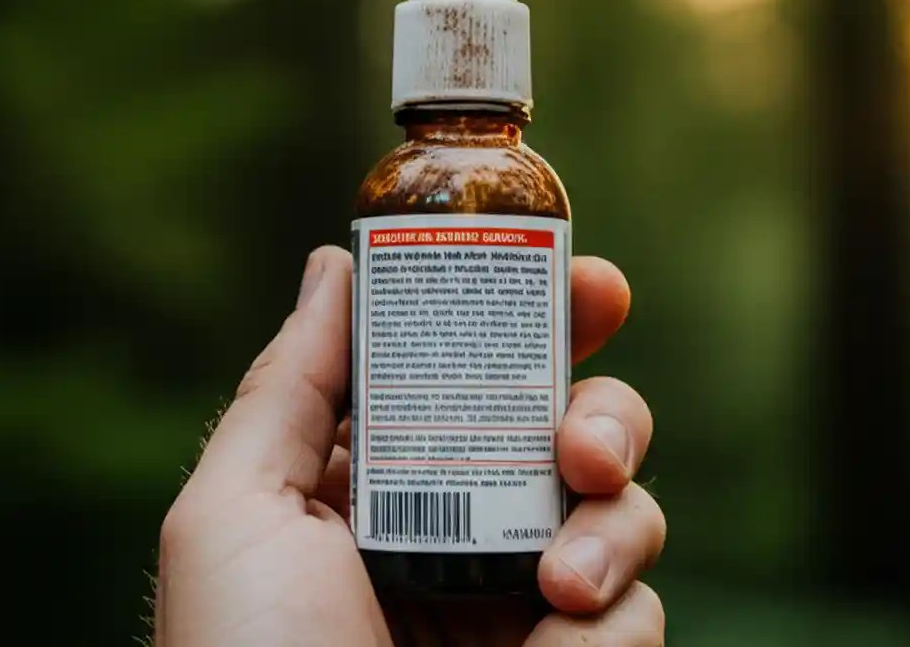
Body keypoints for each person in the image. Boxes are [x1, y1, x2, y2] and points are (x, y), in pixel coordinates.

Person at [153, 247, 667, 646]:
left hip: (491, 554)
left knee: (582, 516)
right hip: (383, 551)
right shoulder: (395, 189)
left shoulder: (532, 190)